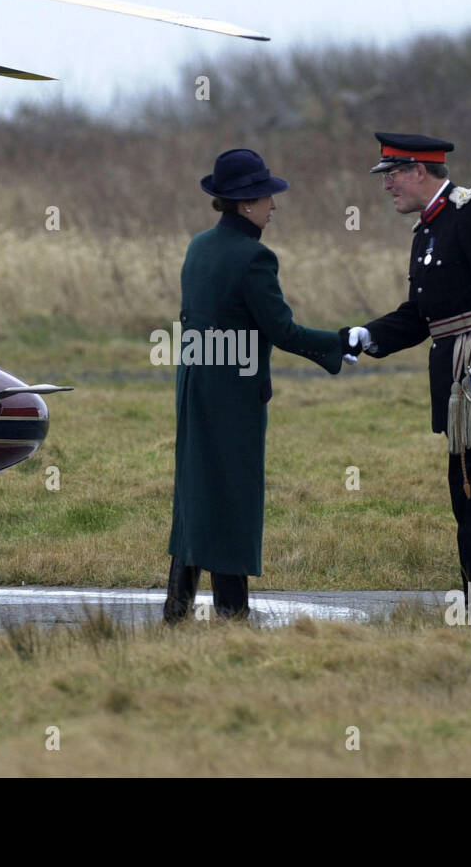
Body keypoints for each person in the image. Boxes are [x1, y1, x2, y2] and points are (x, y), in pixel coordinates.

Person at [343, 132, 471, 601]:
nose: (387, 185)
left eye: (393, 175)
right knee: (467, 494)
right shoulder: (429, 227)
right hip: (457, 380)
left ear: (418, 171)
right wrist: (370, 335)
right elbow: (422, 314)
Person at [165, 148, 352, 623]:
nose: (275, 205)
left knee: (195, 492)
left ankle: (177, 607)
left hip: (195, 385)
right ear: (245, 204)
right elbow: (283, 331)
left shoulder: (198, 246)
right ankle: (232, 614)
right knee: (232, 497)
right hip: (232, 395)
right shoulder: (254, 258)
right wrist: (339, 344)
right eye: (268, 197)